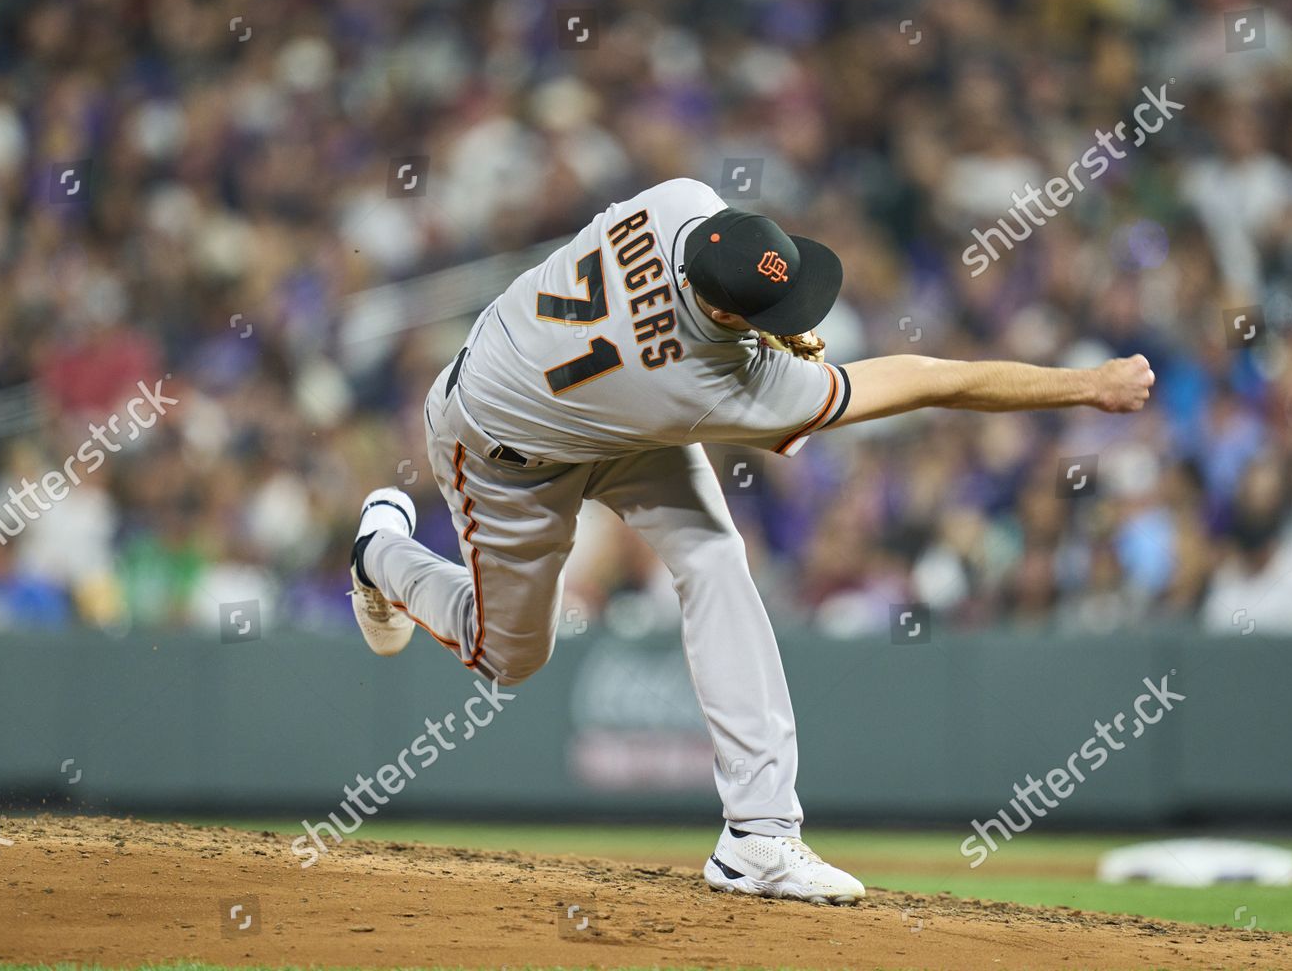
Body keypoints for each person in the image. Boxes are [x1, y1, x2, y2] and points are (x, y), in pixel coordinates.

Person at [347, 178, 1154, 904]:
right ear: (725, 309)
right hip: (498, 447)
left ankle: (759, 838)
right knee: (511, 656)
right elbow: (928, 379)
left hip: (579, 393)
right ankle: (380, 550)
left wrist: (757, 332)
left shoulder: (677, 203)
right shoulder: (708, 382)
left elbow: (693, 313)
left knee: (715, 557)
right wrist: (1083, 385)